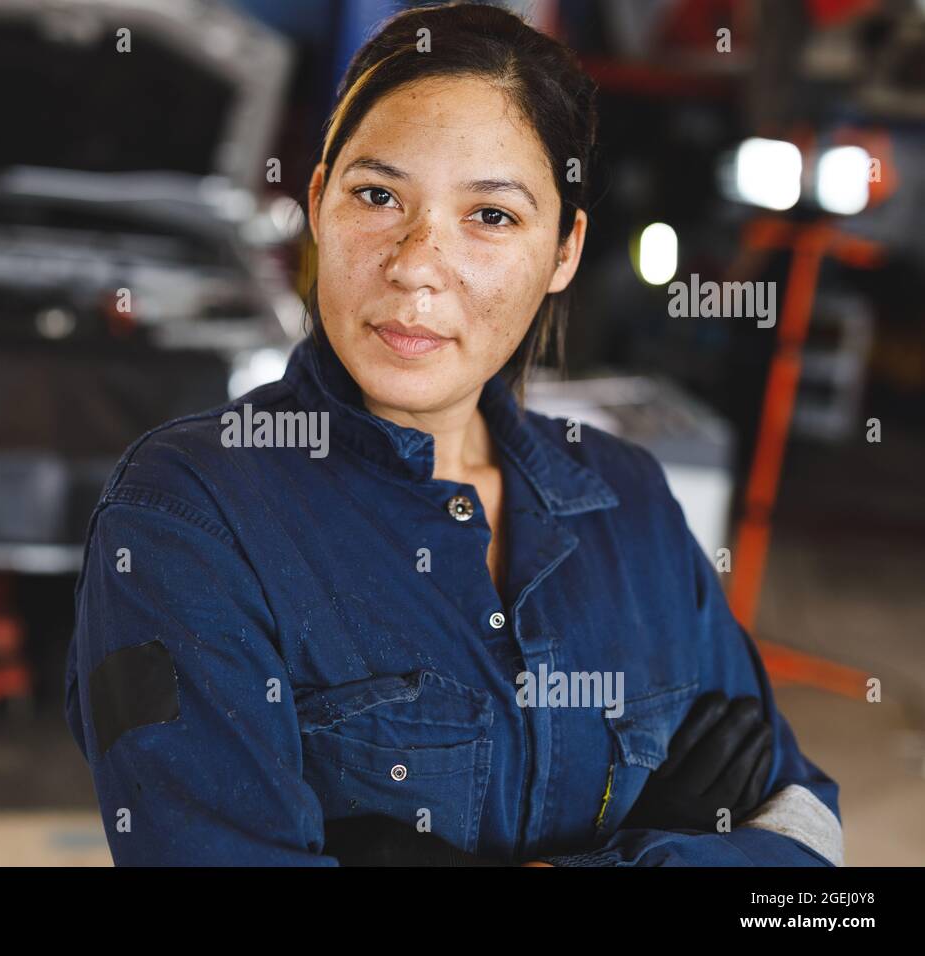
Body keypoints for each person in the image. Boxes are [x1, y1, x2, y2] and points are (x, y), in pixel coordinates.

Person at [64, 1, 842, 866]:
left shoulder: (629, 501)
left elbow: (806, 840)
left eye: (492, 216)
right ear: (319, 205)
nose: (415, 265)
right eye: (377, 195)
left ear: (564, 252)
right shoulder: (186, 516)